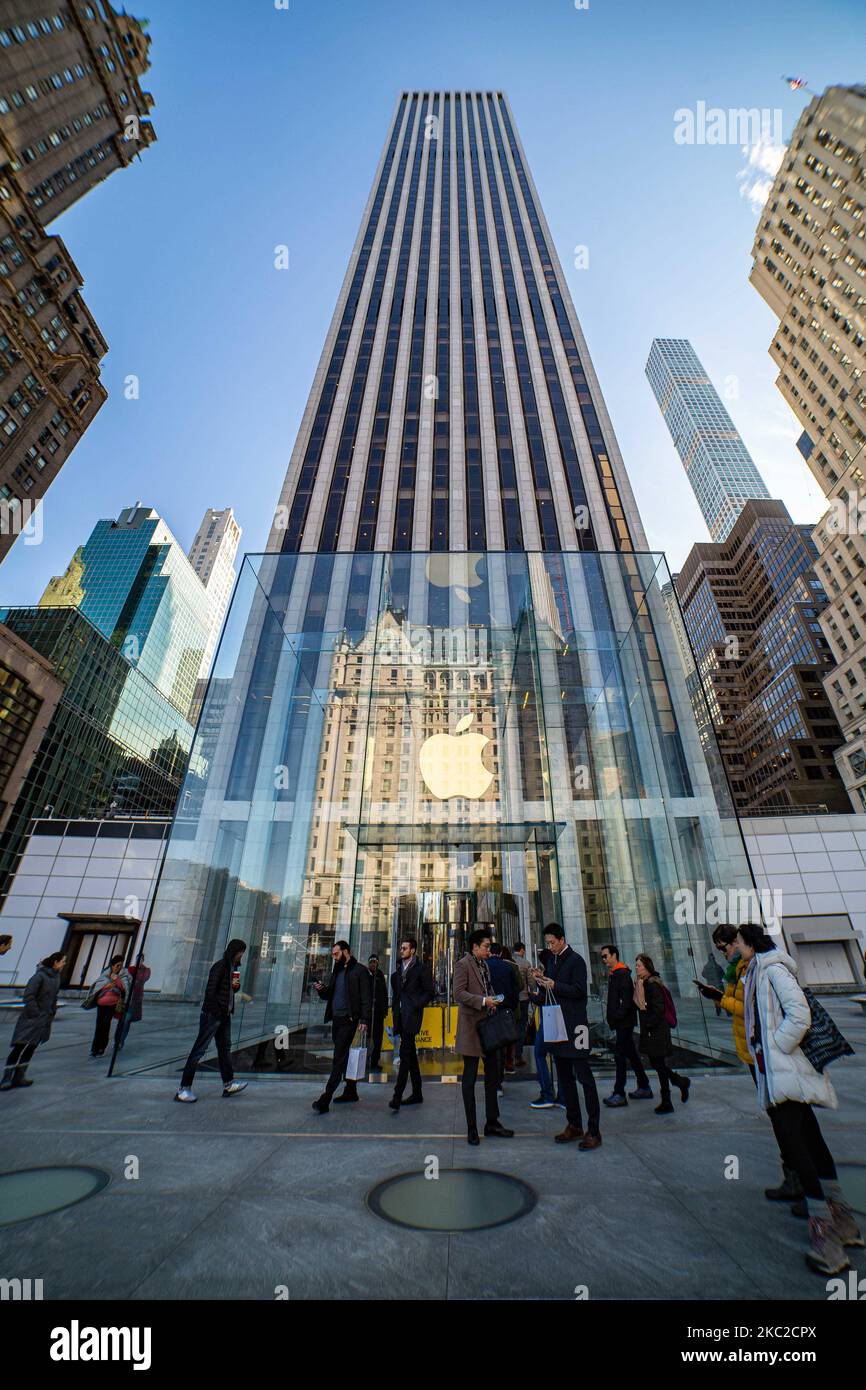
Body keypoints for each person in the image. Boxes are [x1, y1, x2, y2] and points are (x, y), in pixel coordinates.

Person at [737, 922, 862, 1275]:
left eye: (738, 944)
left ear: (750, 944)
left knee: (800, 1146)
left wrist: (777, 1046)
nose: (736, 950)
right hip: (782, 1073)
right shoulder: (759, 972)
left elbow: (800, 1015)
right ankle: (845, 1223)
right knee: (810, 1139)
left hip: (787, 1072)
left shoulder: (773, 970)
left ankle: (826, 1238)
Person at [697, 924, 803, 1205]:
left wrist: (721, 999)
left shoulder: (761, 970)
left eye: (728, 946)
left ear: (744, 943)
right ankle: (794, 1176)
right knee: (778, 1118)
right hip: (754, 1053)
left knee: (789, 1121)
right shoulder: (740, 971)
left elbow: (784, 1013)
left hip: (769, 1056)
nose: (726, 953)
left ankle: (806, 1184)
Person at [530, 924, 601, 1151]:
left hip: (576, 1026)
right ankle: (574, 1124)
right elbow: (549, 995)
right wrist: (538, 985)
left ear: (562, 939)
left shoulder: (576, 960)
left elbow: (580, 991)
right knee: (564, 1078)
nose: (549, 947)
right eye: (547, 943)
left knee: (584, 1077)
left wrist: (554, 984)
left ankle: (594, 1129)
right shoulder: (552, 961)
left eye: (552, 942)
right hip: (557, 1026)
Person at [453, 928, 514, 1145]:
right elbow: (458, 993)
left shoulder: (485, 965)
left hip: (488, 1028)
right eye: (486, 946)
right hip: (471, 1029)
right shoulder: (463, 965)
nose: (489, 950)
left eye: (489, 946)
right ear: (475, 947)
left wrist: (492, 1002)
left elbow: (485, 989)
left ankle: (492, 1122)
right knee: (469, 1078)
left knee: (493, 1076)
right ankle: (471, 1127)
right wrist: (482, 1001)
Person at [175, 939, 249, 1102]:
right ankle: (184, 1088)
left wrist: (234, 987)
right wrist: (217, 1011)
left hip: (223, 1015)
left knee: (224, 1049)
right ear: (234, 951)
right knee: (199, 1050)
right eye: (240, 952)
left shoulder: (231, 968)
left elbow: (225, 991)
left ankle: (228, 1084)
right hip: (214, 1015)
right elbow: (211, 991)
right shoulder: (220, 966)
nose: (241, 955)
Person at [311, 940, 372, 1113]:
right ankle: (351, 1091)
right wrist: (321, 989)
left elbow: (366, 998)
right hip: (336, 1020)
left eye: (336, 954)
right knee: (343, 1056)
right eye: (333, 955)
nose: (334, 957)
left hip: (349, 1020)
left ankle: (325, 1098)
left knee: (338, 1059)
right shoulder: (337, 972)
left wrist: (364, 1020)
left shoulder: (360, 971)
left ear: (346, 952)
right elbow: (329, 995)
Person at [0, 951, 65, 1090]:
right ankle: (6, 1077)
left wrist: (52, 1012)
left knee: (30, 1048)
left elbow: (54, 997)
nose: (64, 964)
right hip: (31, 1019)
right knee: (19, 1047)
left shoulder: (56, 978)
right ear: (55, 962)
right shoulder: (39, 976)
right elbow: (29, 995)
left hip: (44, 1020)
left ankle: (19, 1076)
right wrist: (35, 1013)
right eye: (63, 961)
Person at [635, 954, 690, 1115]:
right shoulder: (645, 983)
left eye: (639, 965)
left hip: (656, 1032)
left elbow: (658, 1009)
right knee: (658, 1064)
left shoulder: (652, 985)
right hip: (653, 1030)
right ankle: (678, 1083)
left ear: (647, 967)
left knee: (658, 1064)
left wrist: (649, 1024)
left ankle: (670, 1096)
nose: (637, 968)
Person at [600, 944, 652, 1107]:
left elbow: (626, 1001)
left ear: (614, 955)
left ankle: (619, 1093)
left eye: (605, 956)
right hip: (621, 1022)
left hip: (624, 1023)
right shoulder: (615, 974)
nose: (603, 959)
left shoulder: (622, 974)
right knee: (631, 1055)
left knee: (619, 1056)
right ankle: (644, 1085)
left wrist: (616, 1017)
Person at [388, 937, 434, 1110]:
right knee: (411, 1056)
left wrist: (416, 1004)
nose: (402, 950)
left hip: (412, 1016)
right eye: (401, 948)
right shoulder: (398, 970)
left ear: (413, 950)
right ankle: (417, 1092)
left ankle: (397, 1095)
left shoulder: (422, 969)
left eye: (405, 948)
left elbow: (430, 992)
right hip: (400, 1015)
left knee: (405, 1054)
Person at [488, 941, 520, 1089]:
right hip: (505, 1009)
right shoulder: (508, 967)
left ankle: (493, 1082)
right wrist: (511, 1006)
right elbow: (516, 989)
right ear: (500, 953)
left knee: (491, 1046)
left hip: (489, 1009)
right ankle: (499, 1080)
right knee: (502, 1044)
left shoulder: (484, 966)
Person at [86, 954, 130, 1058]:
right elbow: (98, 985)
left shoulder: (123, 975)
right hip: (102, 1002)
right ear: (112, 965)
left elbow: (125, 989)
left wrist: (117, 980)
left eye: (121, 965)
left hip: (112, 1003)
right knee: (99, 1024)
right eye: (117, 965)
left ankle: (101, 1047)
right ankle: (94, 1048)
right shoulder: (105, 974)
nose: (119, 968)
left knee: (106, 1024)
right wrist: (107, 985)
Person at [116, 955, 152, 1050]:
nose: (138, 960)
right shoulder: (130, 969)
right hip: (127, 997)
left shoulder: (145, 970)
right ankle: (117, 1040)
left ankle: (121, 1041)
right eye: (137, 959)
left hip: (135, 998)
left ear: (143, 960)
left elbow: (142, 980)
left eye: (140, 959)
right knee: (122, 1020)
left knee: (127, 1021)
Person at [511, 941, 533, 1066]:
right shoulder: (526, 963)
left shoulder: (509, 962)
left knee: (511, 1026)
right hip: (523, 999)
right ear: (522, 950)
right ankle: (518, 1054)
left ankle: (510, 1054)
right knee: (521, 1026)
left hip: (511, 1000)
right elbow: (531, 983)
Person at [367, 954, 389, 1072]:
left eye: (375, 962)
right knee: (367, 1038)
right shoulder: (366, 975)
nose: (373, 964)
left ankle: (375, 1061)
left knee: (377, 1039)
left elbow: (384, 994)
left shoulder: (380, 975)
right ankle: (365, 1060)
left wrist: (384, 1009)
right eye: (371, 962)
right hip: (368, 1013)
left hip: (378, 1013)